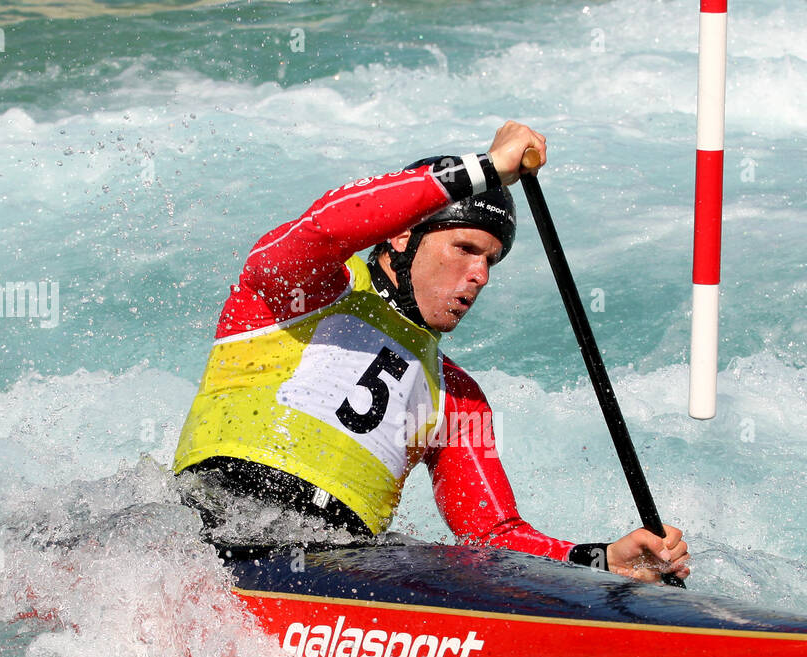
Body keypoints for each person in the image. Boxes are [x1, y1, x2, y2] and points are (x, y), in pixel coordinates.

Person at [173, 121, 689, 584]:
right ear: (399, 237)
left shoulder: (458, 396)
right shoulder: (303, 291)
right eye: (464, 248)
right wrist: (484, 170)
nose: (480, 275)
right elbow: (325, 226)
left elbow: (493, 536)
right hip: (209, 523)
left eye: (492, 260)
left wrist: (602, 561)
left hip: (336, 567)